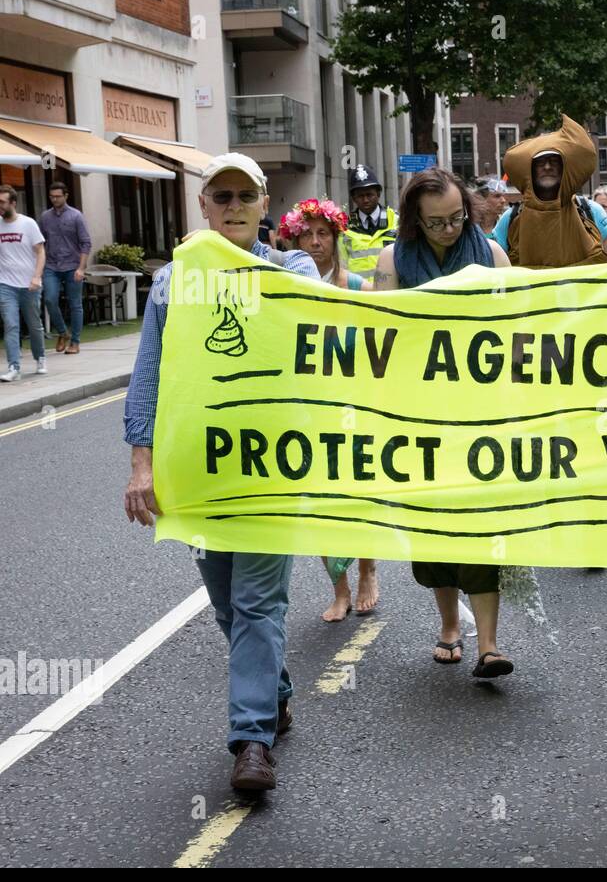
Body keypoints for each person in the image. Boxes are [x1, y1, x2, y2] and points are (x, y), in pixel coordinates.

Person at [123, 152, 321, 791]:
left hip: (273, 464)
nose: (233, 206)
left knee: (257, 601)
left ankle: (251, 740)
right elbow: (148, 373)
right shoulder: (172, 282)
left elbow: (326, 346)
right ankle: (275, 689)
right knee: (226, 603)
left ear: (266, 206)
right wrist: (141, 462)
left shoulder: (294, 270)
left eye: (245, 196)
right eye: (220, 197)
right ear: (203, 207)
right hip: (200, 470)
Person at [372, 168, 515, 678]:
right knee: (432, 528)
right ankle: (450, 627)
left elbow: (516, 331)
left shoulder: (493, 256)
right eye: (436, 223)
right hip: (418, 419)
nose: (449, 229)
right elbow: (381, 335)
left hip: (479, 419)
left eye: (457, 218)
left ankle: (489, 646)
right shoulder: (391, 261)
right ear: (416, 220)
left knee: (478, 523)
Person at [279, 196, 383, 623]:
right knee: (320, 502)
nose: (316, 241)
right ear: (295, 238)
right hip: (309, 408)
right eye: (308, 234)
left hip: (356, 407)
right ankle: (337, 589)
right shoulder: (284, 285)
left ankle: (367, 571)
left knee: (358, 496)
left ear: (336, 238)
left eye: (324, 234)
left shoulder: (357, 287)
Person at [495, 115, 607, 266]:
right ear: (530, 170)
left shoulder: (592, 212)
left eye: (554, 161)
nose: (547, 167)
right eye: (540, 163)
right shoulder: (510, 219)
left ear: (563, 167)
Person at [37, 181, 90, 355]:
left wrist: (81, 268)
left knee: (75, 304)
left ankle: (75, 341)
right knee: (50, 299)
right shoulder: (45, 217)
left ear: (66, 196)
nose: (55, 199)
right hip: (51, 265)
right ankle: (62, 332)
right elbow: (39, 243)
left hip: (72, 265)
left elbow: (85, 243)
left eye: (58, 196)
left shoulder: (76, 216)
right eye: (52, 197)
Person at [0, 184, 47, 382]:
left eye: (2, 202)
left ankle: (40, 357)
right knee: (11, 325)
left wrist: (36, 277)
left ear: (13, 203)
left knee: (34, 325)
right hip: (5, 285)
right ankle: (14, 367)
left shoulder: (28, 224)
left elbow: (40, 252)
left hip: (29, 285)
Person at [339, 163, 398, 284]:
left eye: (369, 194)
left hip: (391, 292)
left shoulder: (396, 221)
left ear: (378, 194)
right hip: (359, 296)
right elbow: (342, 266)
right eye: (360, 196)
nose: (365, 200)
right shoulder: (344, 227)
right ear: (353, 198)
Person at [474, 177, 510, 242]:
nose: (503, 200)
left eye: (503, 196)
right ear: (482, 199)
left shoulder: (508, 225)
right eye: (497, 196)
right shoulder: (470, 227)